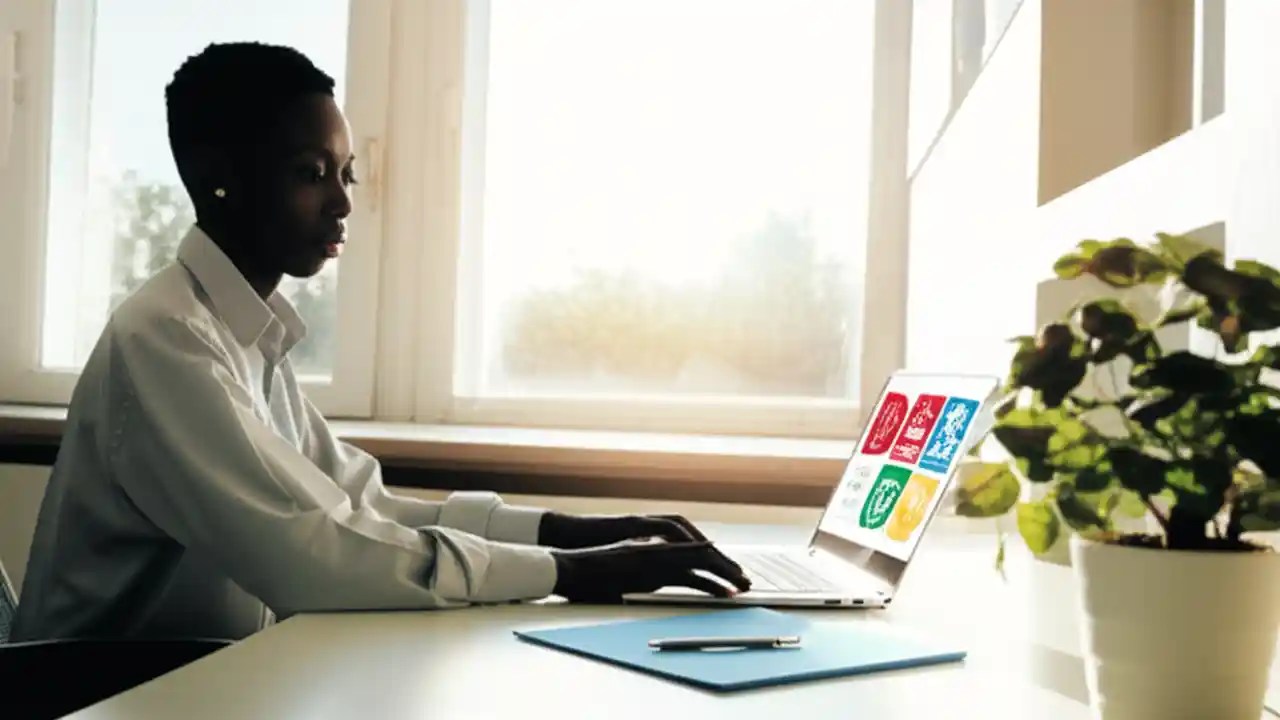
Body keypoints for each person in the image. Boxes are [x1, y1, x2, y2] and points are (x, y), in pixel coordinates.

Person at [12, 42, 749, 642]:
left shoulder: (244, 333)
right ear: (217, 179)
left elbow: (363, 508)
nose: (343, 202)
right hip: (94, 698)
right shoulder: (166, 340)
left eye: (348, 173)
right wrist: (571, 572)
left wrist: (573, 534)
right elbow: (318, 553)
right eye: (312, 174)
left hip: (189, 686)